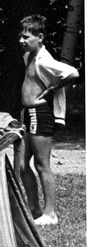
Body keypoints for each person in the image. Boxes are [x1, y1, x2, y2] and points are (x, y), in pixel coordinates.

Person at [14, 14, 79, 227]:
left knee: (42, 165)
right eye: (20, 36)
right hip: (26, 115)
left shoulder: (44, 59)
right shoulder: (28, 57)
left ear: (40, 37)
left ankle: (50, 213)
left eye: (26, 37)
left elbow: (72, 72)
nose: (21, 41)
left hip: (40, 115)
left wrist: (53, 87)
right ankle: (34, 210)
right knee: (22, 166)